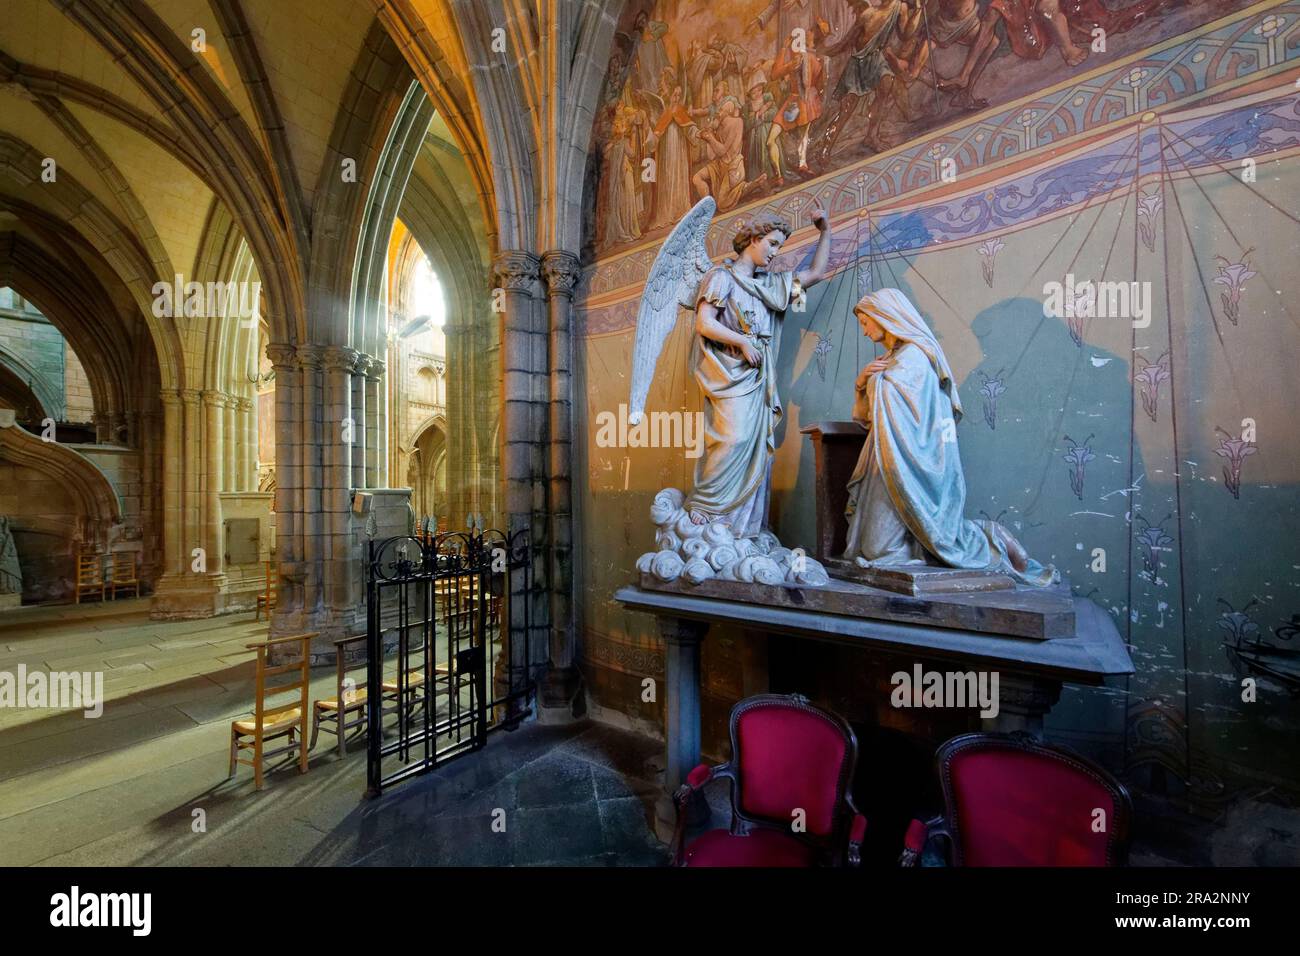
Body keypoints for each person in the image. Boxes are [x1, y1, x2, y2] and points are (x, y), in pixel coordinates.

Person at [843, 288, 1055, 585]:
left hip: (911, 461)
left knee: (879, 551)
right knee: (875, 549)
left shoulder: (915, 355)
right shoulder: (894, 358)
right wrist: (860, 382)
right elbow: (867, 418)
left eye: (865, 323)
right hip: (887, 457)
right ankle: (923, 545)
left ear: (884, 317)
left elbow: (900, 405)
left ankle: (987, 536)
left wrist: (876, 380)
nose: (864, 332)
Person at [686, 204, 834, 531]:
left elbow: (816, 274)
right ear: (753, 238)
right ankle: (708, 504)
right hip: (729, 374)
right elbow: (704, 323)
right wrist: (740, 342)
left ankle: (746, 528)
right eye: (772, 243)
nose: (775, 253)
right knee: (733, 439)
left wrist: (825, 231)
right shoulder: (720, 278)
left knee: (759, 453)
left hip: (759, 378)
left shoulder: (771, 287)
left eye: (779, 246)